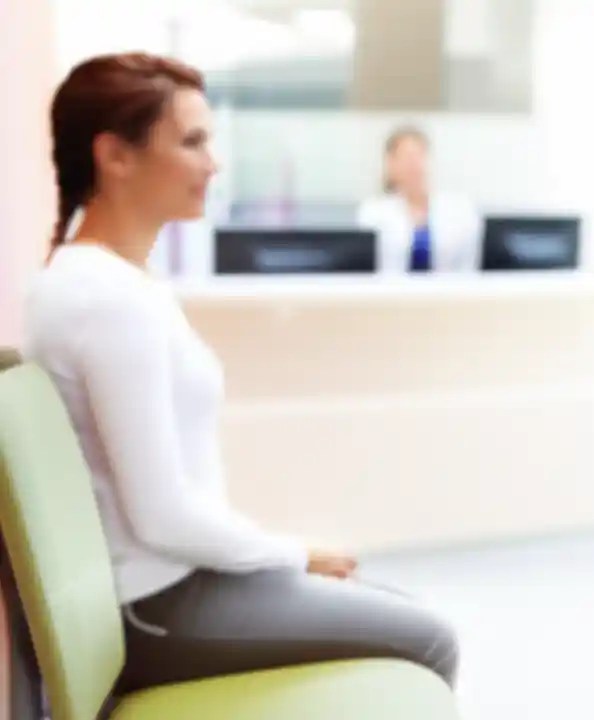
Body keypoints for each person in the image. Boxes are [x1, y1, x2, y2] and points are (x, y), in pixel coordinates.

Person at [22, 53, 459, 695]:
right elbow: (162, 516)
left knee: (402, 612)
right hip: (159, 605)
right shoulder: (108, 299)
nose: (213, 163)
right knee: (430, 637)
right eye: (193, 142)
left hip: (173, 585)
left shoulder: (93, 281)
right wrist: (294, 552)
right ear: (115, 155)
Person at [357, 126, 482, 275]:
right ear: (390, 164)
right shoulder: (373, 211)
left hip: (448, 294)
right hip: (391, 294)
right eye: (405, 157)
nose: (413, 164)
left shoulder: (458, 208)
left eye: (418, 155)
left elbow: (470, 264)